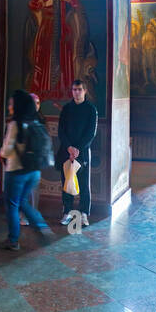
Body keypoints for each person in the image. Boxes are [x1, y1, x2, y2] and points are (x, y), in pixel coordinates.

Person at [1, 89, 54, 251]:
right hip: (34, 171)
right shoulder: (36, 122)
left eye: (11, 104)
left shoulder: (15, 124)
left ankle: (13, 240)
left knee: (12, 205)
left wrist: (0, 152)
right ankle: (42, 227)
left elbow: (7, 151)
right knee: (23, 202)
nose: (10, 107)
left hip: (17, 171)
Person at [55, 76, 98, 227]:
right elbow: (61, 131)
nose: (77, 92)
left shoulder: (91, 109)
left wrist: (77, 149)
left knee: (84, 184)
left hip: (83, 152)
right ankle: (67, 212)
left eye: (80, 90)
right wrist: (69, 148)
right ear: (71, 91)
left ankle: (84, 214)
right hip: (66, 151)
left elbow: (91, 133)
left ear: (85, 91)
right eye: (74, 90)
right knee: (67, 183)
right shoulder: (66, 109)